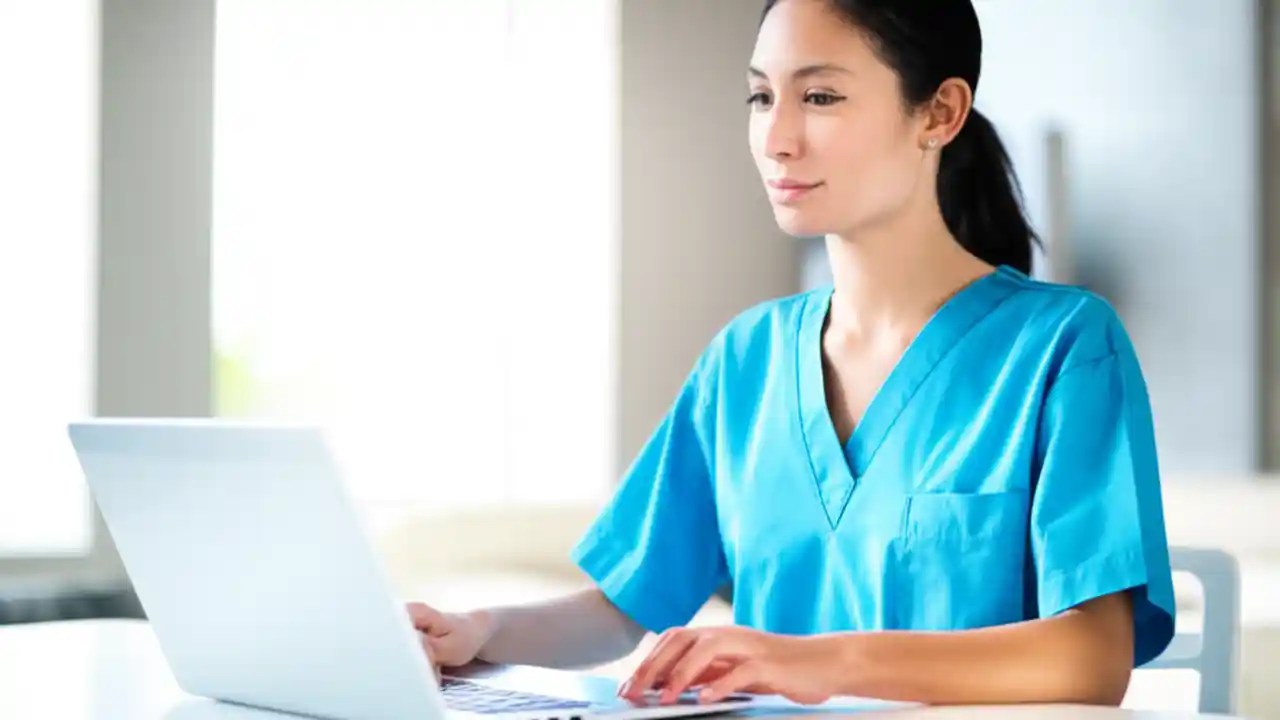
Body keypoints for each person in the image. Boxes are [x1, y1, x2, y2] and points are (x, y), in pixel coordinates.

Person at [405, 0, 1175, 707]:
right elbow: (621, 608)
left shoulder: (1063, 347)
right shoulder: (746, 359)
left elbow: (1091, 658)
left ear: (939, 113)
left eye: (821, 97)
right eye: (761, 96)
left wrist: (813, 663)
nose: (777, 137)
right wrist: (475, 631)